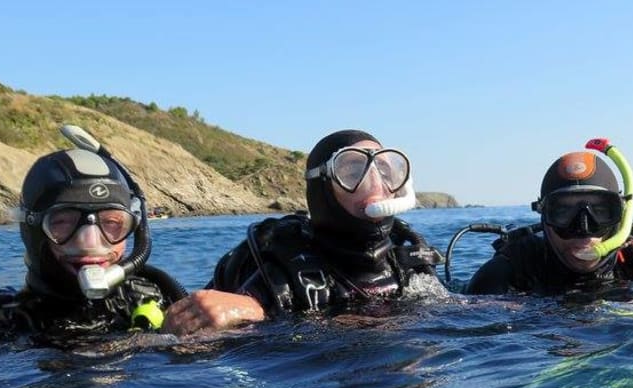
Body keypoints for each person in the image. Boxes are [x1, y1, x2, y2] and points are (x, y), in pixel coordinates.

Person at [163, 130, 444, 335]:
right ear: (323, 188)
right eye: (352, 171)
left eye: (385, 170)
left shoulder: (406, 257)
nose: (374, 184)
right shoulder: (284, 265)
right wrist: (249, 309)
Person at [0, 140, 186, 349]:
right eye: (64, 222)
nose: (90, 243)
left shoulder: (158, 299)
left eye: (111, 223)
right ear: (33, 231)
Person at [464, 143, 633, 295]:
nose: (583, 229)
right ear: (543, 215)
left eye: (600, 211)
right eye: (563, 212)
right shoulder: (507, 278)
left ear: (621, 215)